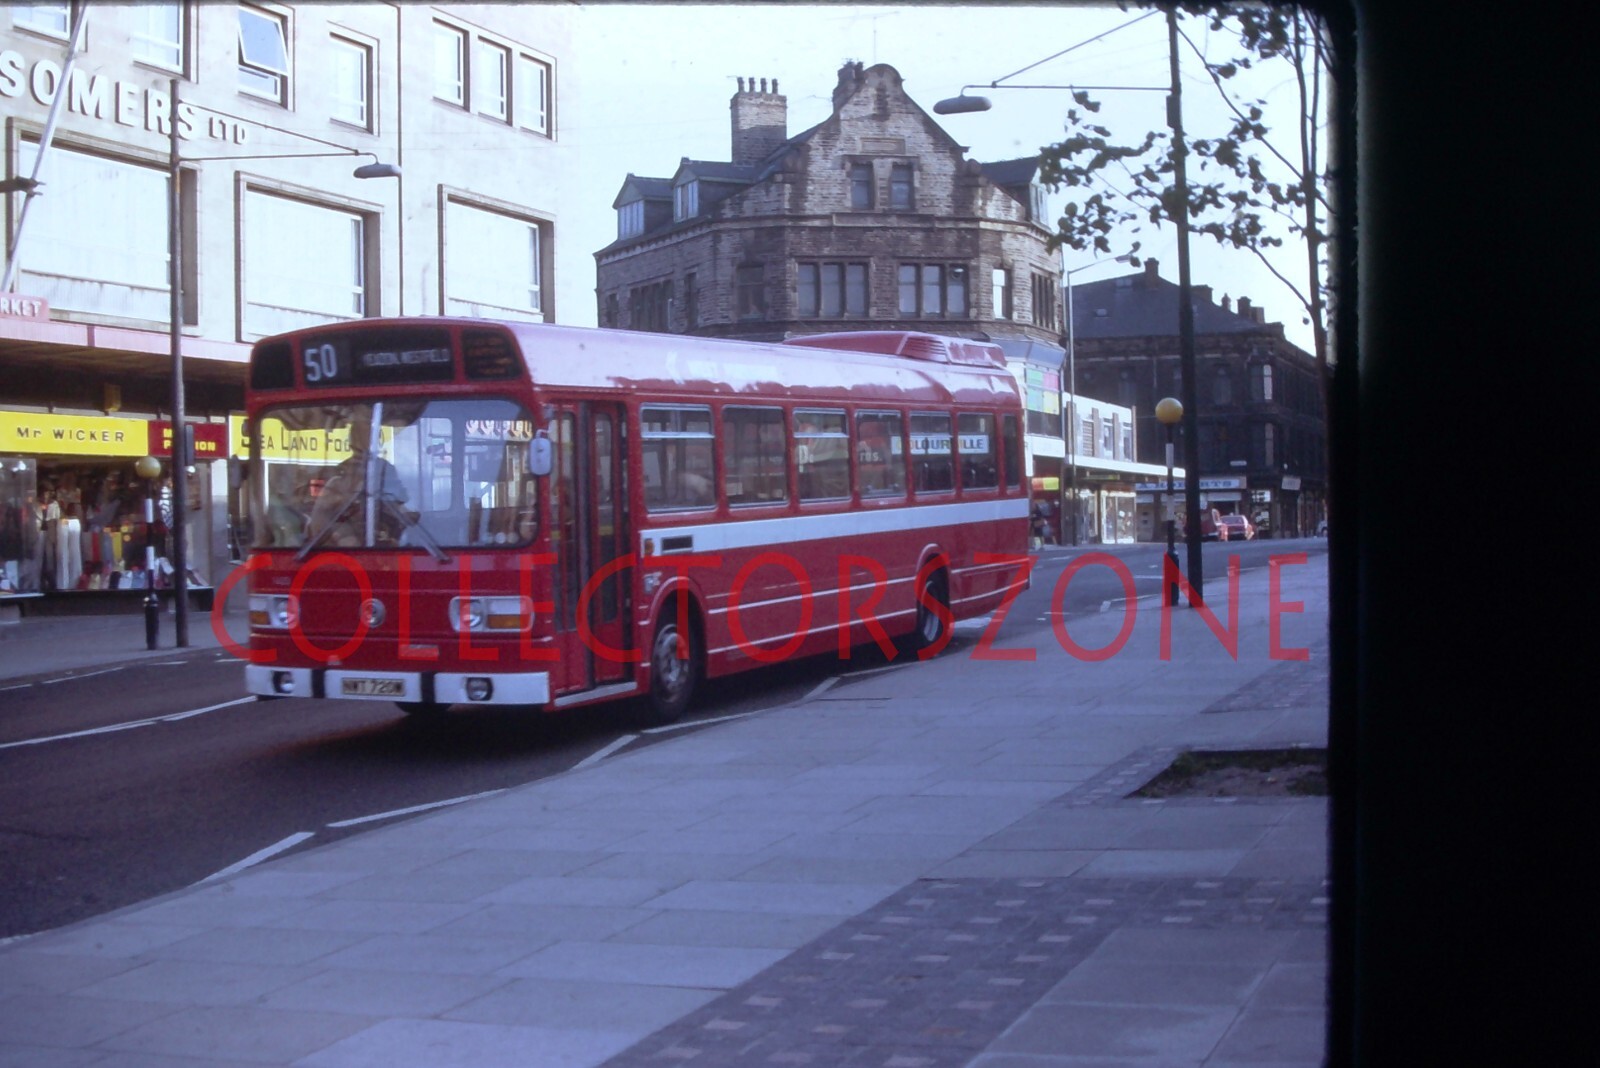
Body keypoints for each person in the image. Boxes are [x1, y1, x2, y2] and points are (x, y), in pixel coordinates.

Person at [306, 416, 408, 547]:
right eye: (360, 438)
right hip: (346, 547)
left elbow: (399, 500)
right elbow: (319, 519)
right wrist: (340, 534)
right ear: (351, 442)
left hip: (384, 539)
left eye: (370, 438)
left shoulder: (386, 469)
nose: (366, 443)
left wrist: (405, 515)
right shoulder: (338, 474)